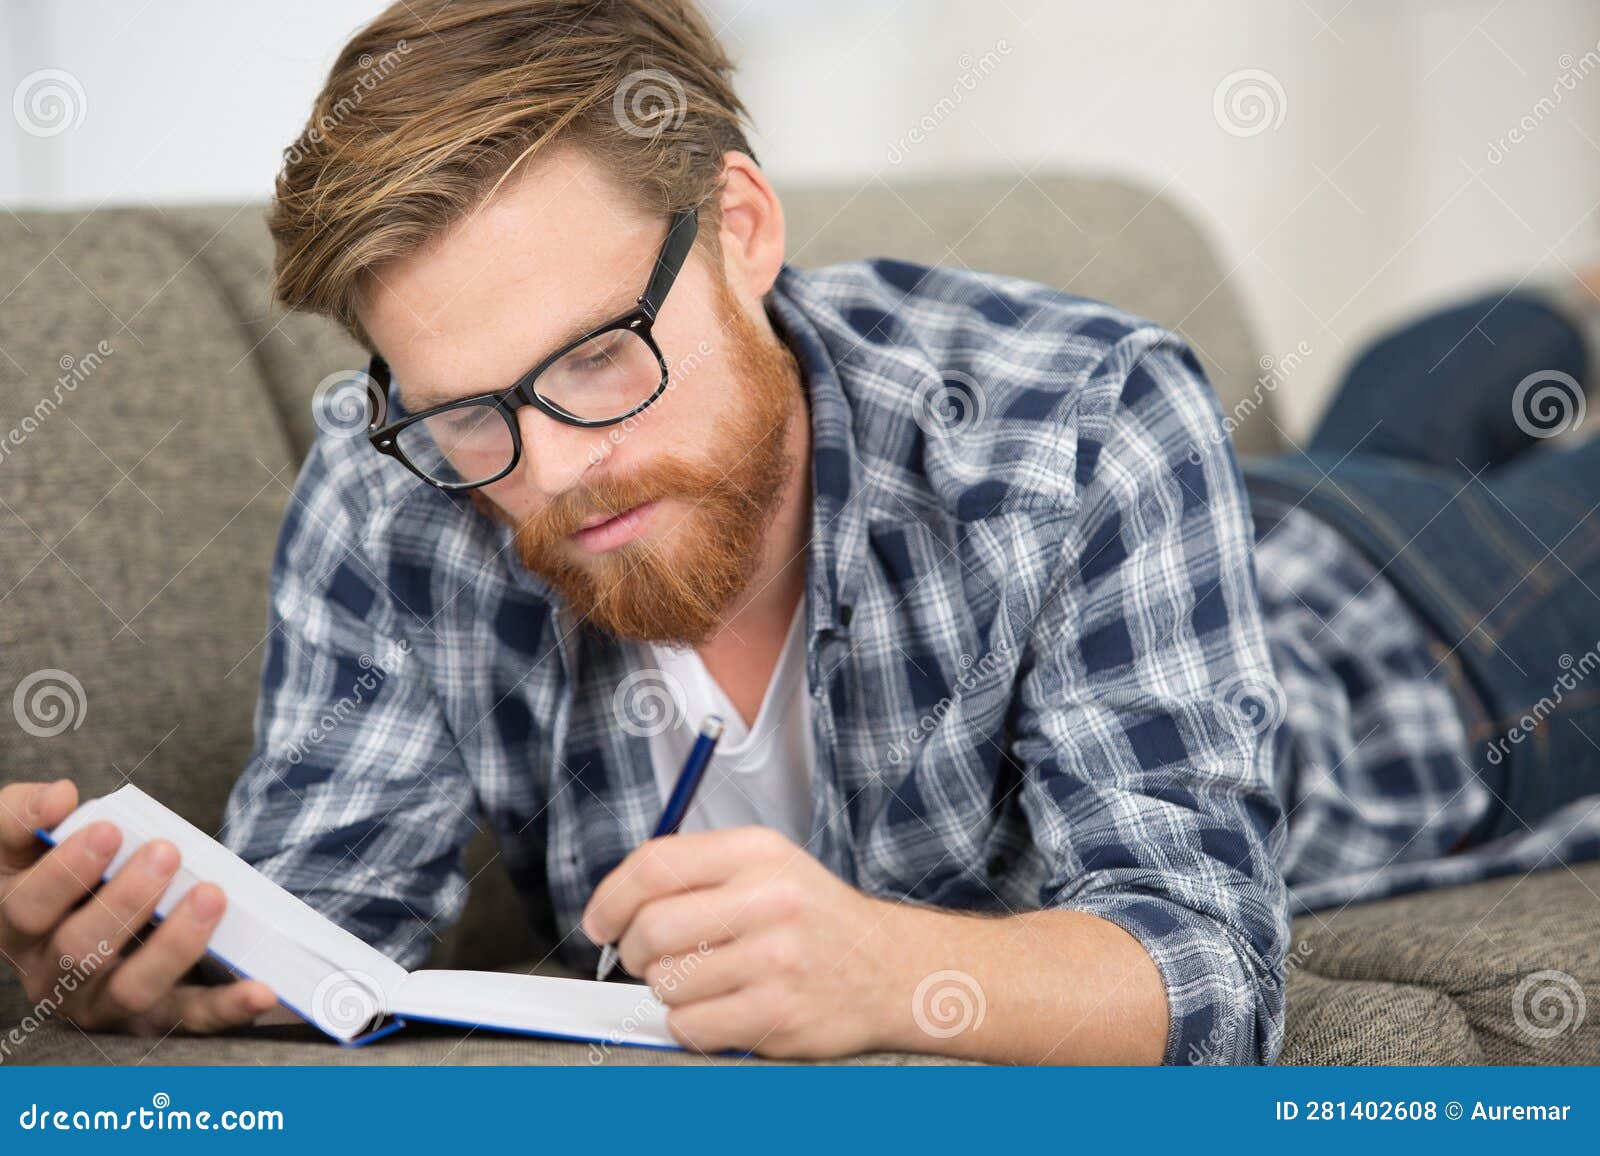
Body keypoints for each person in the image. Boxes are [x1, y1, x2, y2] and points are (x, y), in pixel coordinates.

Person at [2, 0, 1597, 1065]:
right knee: (1408, 404)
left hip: (1409, 631)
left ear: (744, 232)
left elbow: (1211, 966)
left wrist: (889, 973)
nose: (551, 470)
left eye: (596, 359)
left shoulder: (1091, 414)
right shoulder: (398, 482)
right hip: (1203, 534)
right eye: (468, 411)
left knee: (1525, 491)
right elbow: (335, 917)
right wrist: (167, 962)